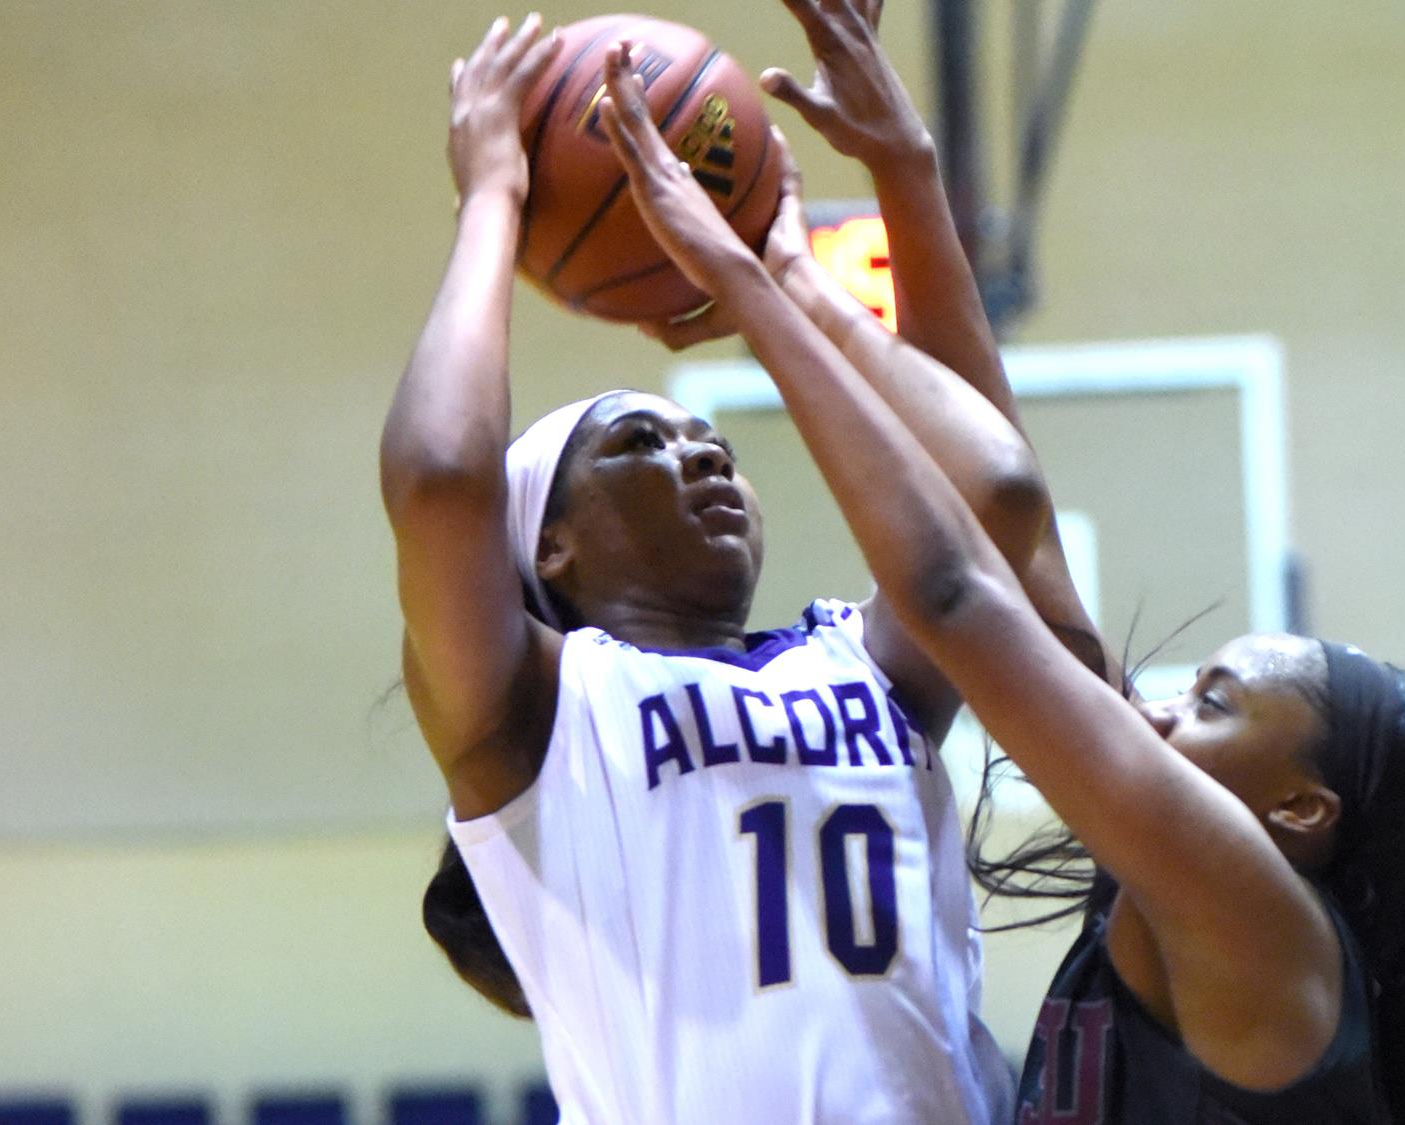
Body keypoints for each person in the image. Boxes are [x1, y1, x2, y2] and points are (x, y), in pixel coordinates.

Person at [592, 32, 1405, 1124]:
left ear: (1297, 810)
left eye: (1211, 702)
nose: (1156, 707)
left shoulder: (1259, 922)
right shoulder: (1182, 887)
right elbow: (1006, 531)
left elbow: (954, 594)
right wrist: (902, 180)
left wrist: (760, 286)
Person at [383, 9, 1073, 1121]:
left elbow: (990, 495)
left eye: (706, 439)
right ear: (543, 543)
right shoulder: (537, 720)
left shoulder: (860, 662)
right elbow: (438, 480)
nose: (697, 445)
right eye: (636, 443)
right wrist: (493, 200)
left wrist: (852, 221)